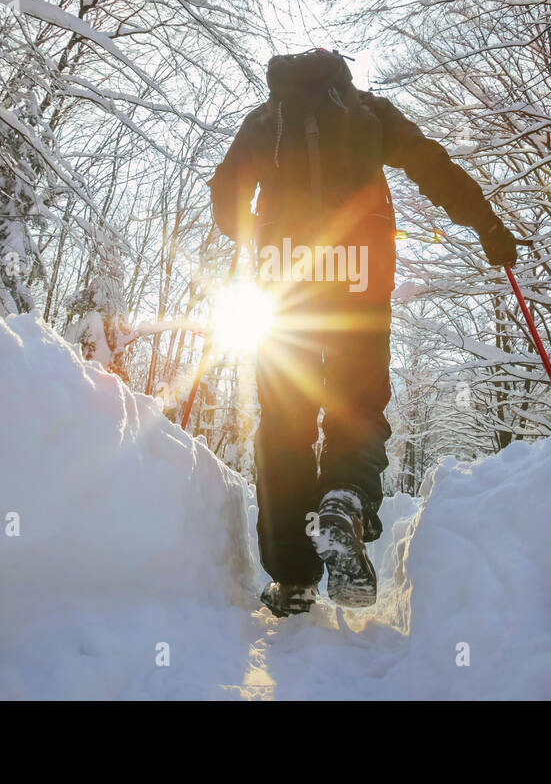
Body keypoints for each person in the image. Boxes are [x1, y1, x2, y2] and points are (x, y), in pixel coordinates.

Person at [208, 49, 517, 616]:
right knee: (357, 401)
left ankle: (294, 579)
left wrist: (251, 228)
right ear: (340, 75)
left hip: (286, 285)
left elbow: (226, 203)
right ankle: (343, 502)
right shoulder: (367, 112)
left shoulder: (262, 121)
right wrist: (487, 225)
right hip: (360, 276)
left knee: (284, 420)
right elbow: (431, 166)